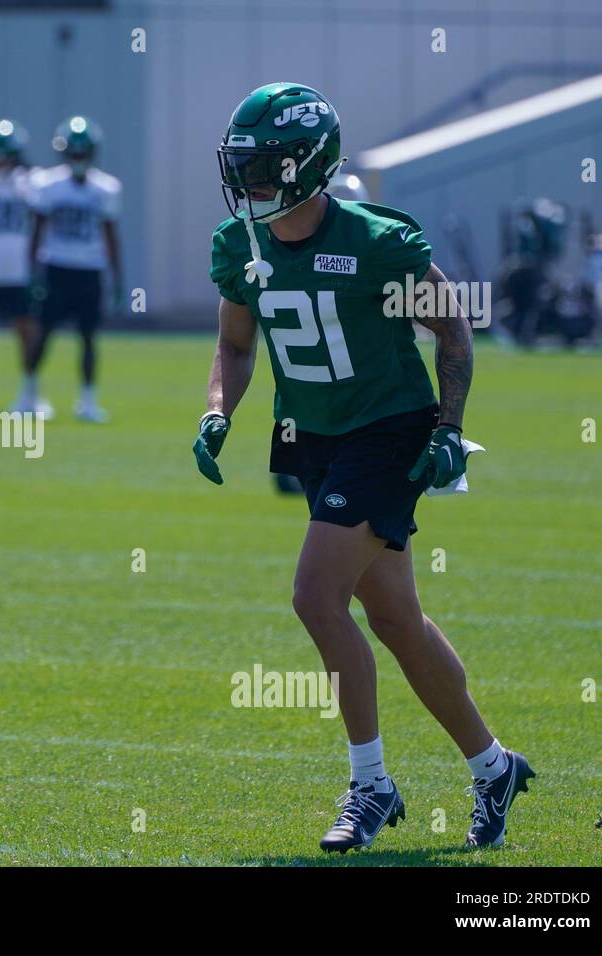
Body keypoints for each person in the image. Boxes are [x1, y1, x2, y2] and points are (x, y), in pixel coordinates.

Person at [197, 82, 533, 853]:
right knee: (394, 620)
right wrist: (219, 409)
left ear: (307, 164)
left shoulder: (378, 243)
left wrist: (450, 427)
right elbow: (238, 346)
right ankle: (494, 765)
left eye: (264, 165)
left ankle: (371, 784)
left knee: (315, 598)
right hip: (315, 435)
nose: (247, 182)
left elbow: (452, 330)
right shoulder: (238, 246)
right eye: (241, 165)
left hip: (387, 431)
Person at [14, 116, 122, 423]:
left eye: (82, 152)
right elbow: (36, 230)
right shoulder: (47, 184)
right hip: (56, 267)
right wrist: (31, 272)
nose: (78, 158)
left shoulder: (106, 187)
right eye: (73, 152)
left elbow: (112, 235)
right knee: (43, 334)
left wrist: (117, 277)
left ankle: (87, 400)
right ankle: (28, 394)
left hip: (89, 269)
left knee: (88, 338)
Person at [0, 120, 37, 396]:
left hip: (19, 269)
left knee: (25, 331)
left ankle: (29, 391)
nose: (1, 160)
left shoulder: (30, 182)